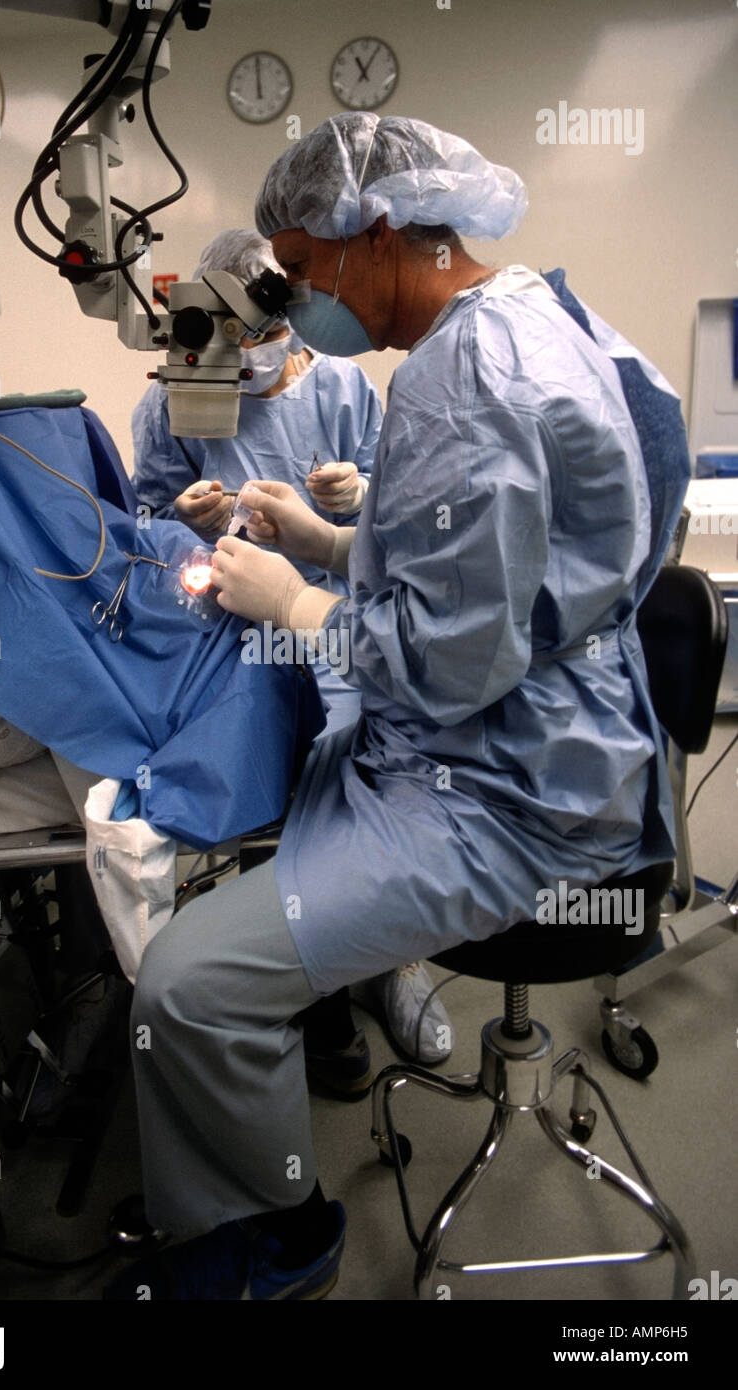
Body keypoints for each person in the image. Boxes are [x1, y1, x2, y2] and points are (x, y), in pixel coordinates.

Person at [108, 114, 688, 1300]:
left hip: (506, 796)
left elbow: (448, 655)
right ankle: (304, 1025)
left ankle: (277, 1239)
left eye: (297, 272)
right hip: (533, 734)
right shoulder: (544, 315)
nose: (292, 306)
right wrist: (332, 538)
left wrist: (299, 601)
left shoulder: (464, 379)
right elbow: (506, 562)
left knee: (188, 981)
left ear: (372, 231)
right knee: (261, 829)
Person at [132, 229, 454, 1075]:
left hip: (333, 619)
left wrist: (359, 496)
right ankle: (290, 982)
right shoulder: (180, 394)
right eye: (233, 347)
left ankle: (394, 964)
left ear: (288, 324)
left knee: (362, 784)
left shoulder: (343, 385)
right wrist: (184, 524)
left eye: (268, 339)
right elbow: (139, 524)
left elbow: (406, 517)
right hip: (227, 629)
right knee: (259, 785)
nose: (254, 362)